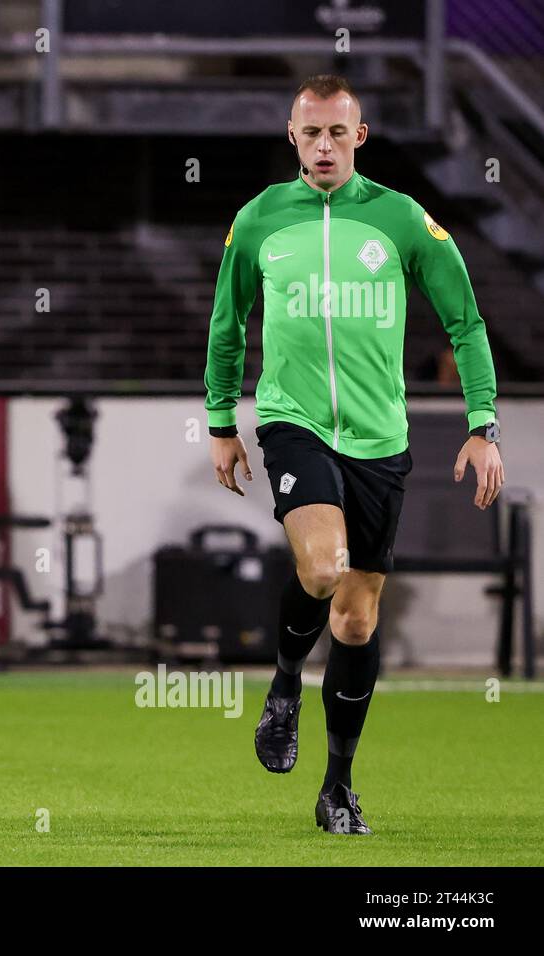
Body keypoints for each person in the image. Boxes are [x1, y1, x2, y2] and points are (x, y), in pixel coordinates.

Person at [204, 74, 504, 835]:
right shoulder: (260, 218)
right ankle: (282, 685)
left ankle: (337, 787)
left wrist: (483, 422)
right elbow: (227, 325)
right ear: (292, 135)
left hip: (381, 440)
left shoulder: (401, 220)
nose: (325, 146)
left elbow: (465, 322)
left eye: (339, 133)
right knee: (323, 566)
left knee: (360, 622)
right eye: (312, 133)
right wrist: (219, 421)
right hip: (294, 422)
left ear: (360, 137)